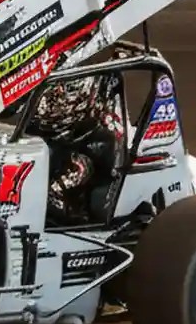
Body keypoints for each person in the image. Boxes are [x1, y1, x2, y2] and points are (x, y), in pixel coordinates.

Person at [26, 74, 125, 225]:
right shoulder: (46, 99)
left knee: (79, 167)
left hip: (78, 155)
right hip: (48, 144)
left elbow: (109, 148)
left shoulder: (102, 117)